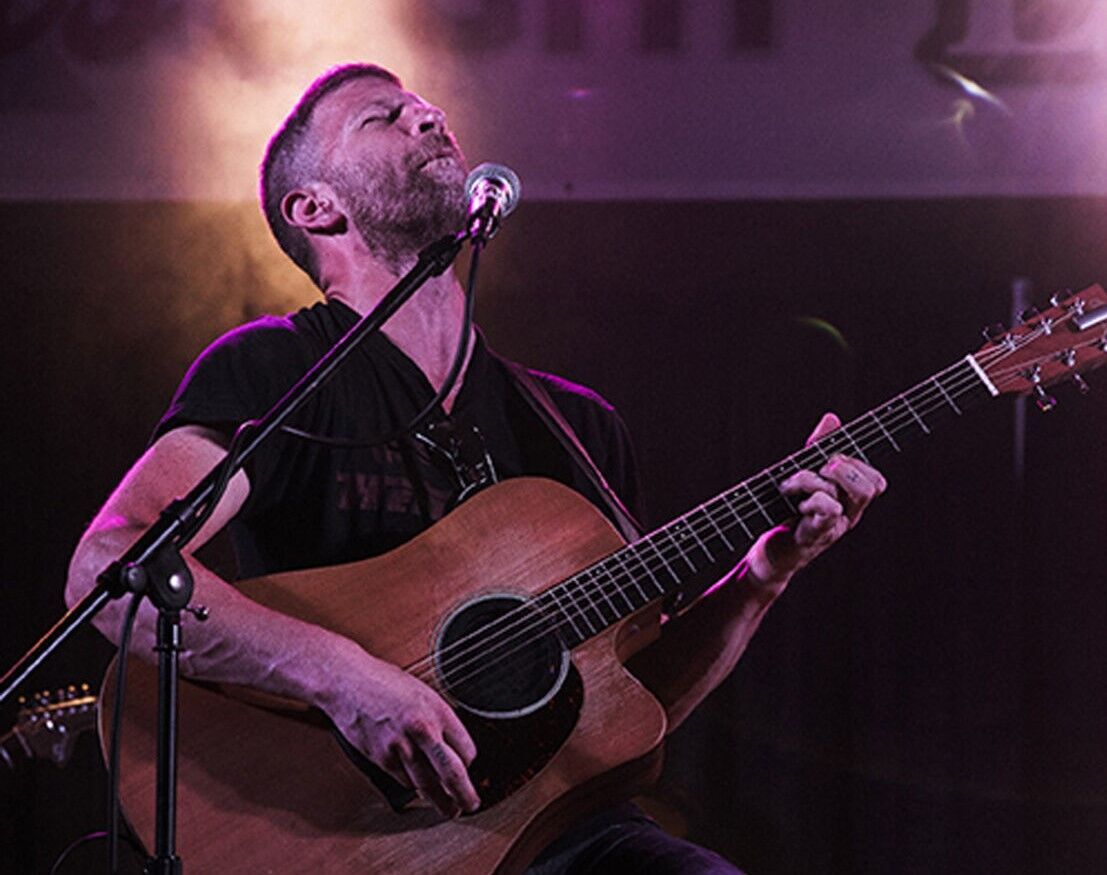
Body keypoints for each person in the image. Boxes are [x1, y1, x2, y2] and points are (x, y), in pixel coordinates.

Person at [65, 63, 885, 873]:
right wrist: (347, 679)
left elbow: (631, 706)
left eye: (426, 107)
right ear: (314, 207)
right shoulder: (280, 369)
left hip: (563, 835)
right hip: (350, 840)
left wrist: (761, 576)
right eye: (382, 117)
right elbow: (112, 565)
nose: (428, 117)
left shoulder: (577, 429)